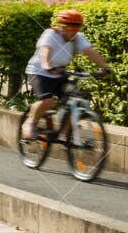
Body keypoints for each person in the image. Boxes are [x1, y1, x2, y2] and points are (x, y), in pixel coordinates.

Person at [22, 9, 111, 139]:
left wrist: (105, 67)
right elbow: (44, 51)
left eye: (77, 26)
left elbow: (90, 52)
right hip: (39, 71)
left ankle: (66, 131)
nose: (73, 30)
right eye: (70, 26)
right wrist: (47, 65)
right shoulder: (51, 34)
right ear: (62, 26)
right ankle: (30, 122)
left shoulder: (78, 38)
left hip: (60, 72)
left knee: (73, 98)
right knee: (48, 101)